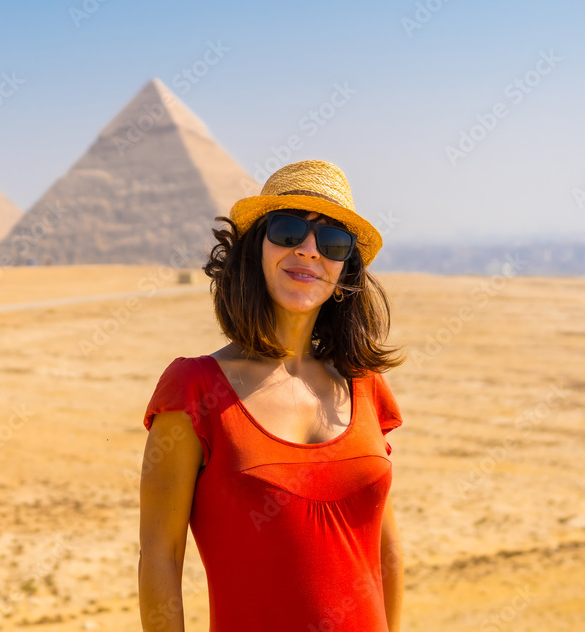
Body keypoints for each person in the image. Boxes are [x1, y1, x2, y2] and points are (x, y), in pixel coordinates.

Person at [138, 159, 407, 631]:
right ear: (253, 250)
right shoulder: (194, 390)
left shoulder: (365, 385)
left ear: (345, 270)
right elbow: (161, 557)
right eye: (287, 231)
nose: (308, 250)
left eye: (332, 242)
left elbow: (385, 551)